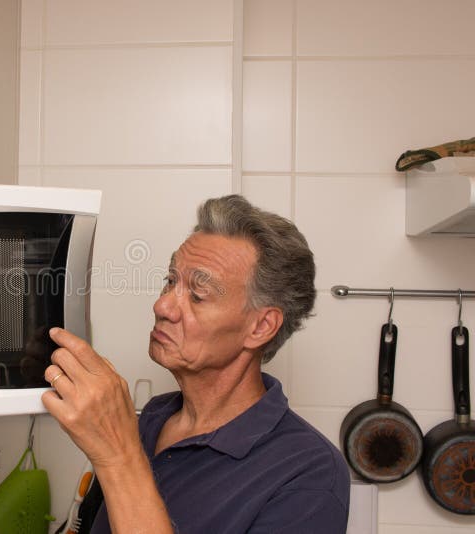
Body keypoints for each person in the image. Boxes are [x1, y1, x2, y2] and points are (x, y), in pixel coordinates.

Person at [42, 195, 350, 533]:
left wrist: (119, 456)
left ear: (261, 327)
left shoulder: (309, 473)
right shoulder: (150, 421)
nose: (162, 305)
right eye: (171, 281)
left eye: (197, 295)